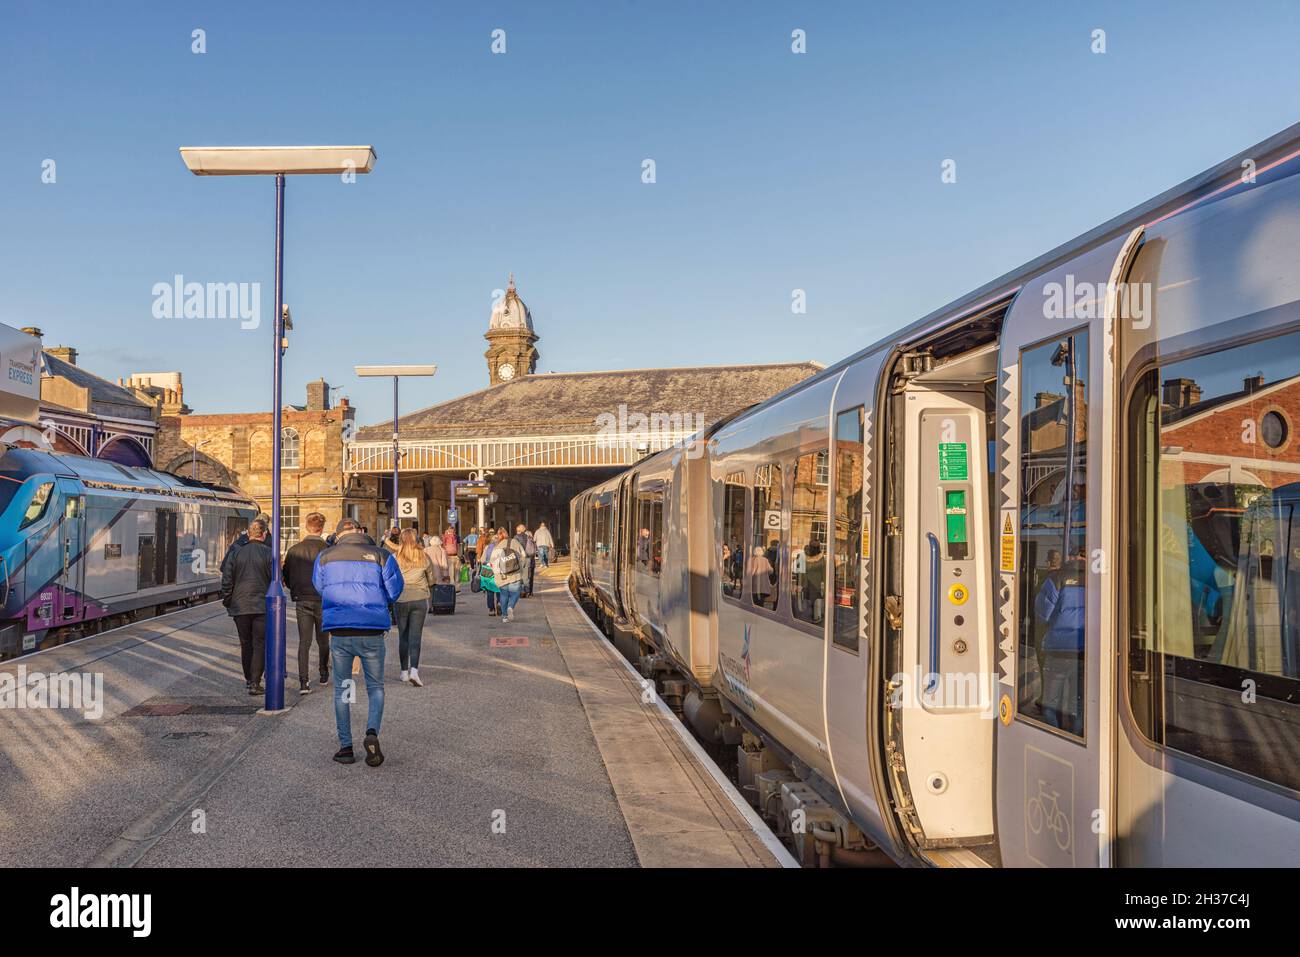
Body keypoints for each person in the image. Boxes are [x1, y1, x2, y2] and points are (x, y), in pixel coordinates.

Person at [313, 518, 404, 767]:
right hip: (372, 630)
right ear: (361, 532)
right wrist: (376, 600)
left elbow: (320, 587)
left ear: (339, 534)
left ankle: (346, 747)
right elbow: (396, 589)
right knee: (375, 687)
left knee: (344, 689)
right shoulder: (381, 555)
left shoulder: (325, 557)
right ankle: (371, 732)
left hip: (340, 631)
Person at [221, 518, 274, 695]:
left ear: (248, 534)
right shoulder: (269, 553)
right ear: (264, 534)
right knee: (260, 643)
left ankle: (248, 679)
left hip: (240, 605)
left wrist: (228, 600)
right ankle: (255, 682)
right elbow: (275, 581)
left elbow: (227, 579)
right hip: (261, 606)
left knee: (246, 644)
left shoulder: (235, 553)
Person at [282, 511, 330, 694]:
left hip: (302, 598)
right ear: (322, 528)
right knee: (323, 639)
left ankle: (304, 682)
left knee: (304, 641)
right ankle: (323, 672)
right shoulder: (328, 549)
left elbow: (286, 574)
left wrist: (294, 590)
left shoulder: (294, 550)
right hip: (322, 598)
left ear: (306, 526)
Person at [393, 528, 435, 687]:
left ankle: (403, 672)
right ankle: (414, 671)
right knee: (416, 636)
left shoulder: (395, 557)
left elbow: (390, 578)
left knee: (403, 635)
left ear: (401, 540)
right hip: (419, 598)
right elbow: (432, 579)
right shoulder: (424, 556)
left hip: (401, 598)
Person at [491, 528, 528, 623]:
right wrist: (521, 567)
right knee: (515, 593)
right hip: (515, 573)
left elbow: (493, 562)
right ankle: (510, 607)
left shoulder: (497, 547)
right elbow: (523, 556)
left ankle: (504, 617)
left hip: (502, 576)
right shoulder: (515, 542)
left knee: (504, 595)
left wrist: (497, 575)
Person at [514, 524, 537, 597]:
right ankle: (528, 592)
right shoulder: (529, 537)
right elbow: (534, 549)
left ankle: (521, 591)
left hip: (520, 558)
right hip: (528, 558)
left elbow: (514, 549)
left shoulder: (516, 538)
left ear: (519, 530)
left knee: (519, 576)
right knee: (527, 576)